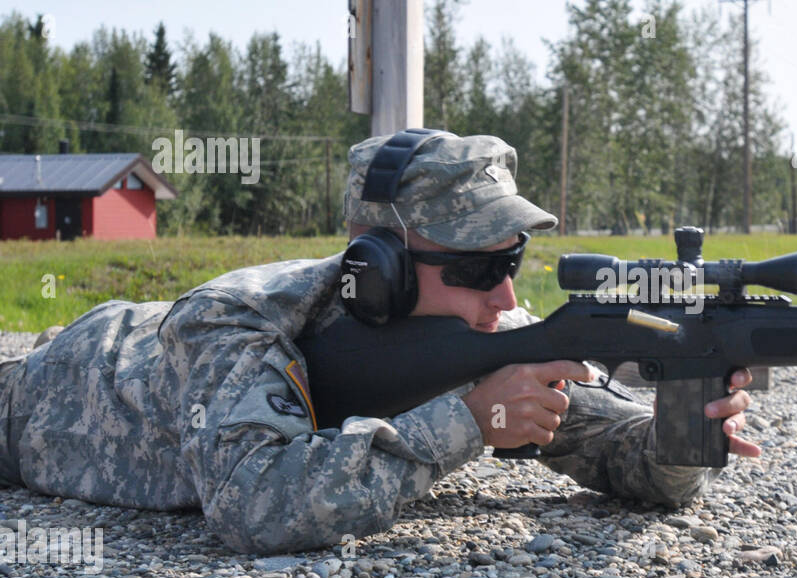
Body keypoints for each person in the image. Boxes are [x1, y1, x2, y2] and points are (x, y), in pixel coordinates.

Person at [0, 131, 757, 554]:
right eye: (477, 265)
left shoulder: (481, 335)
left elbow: (626, 458)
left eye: (513, 260)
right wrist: (465, 424)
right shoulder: (234, 319)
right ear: (377, 269)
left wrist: (683, 430)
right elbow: (250, 505)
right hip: (37, 395)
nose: (506, 296)